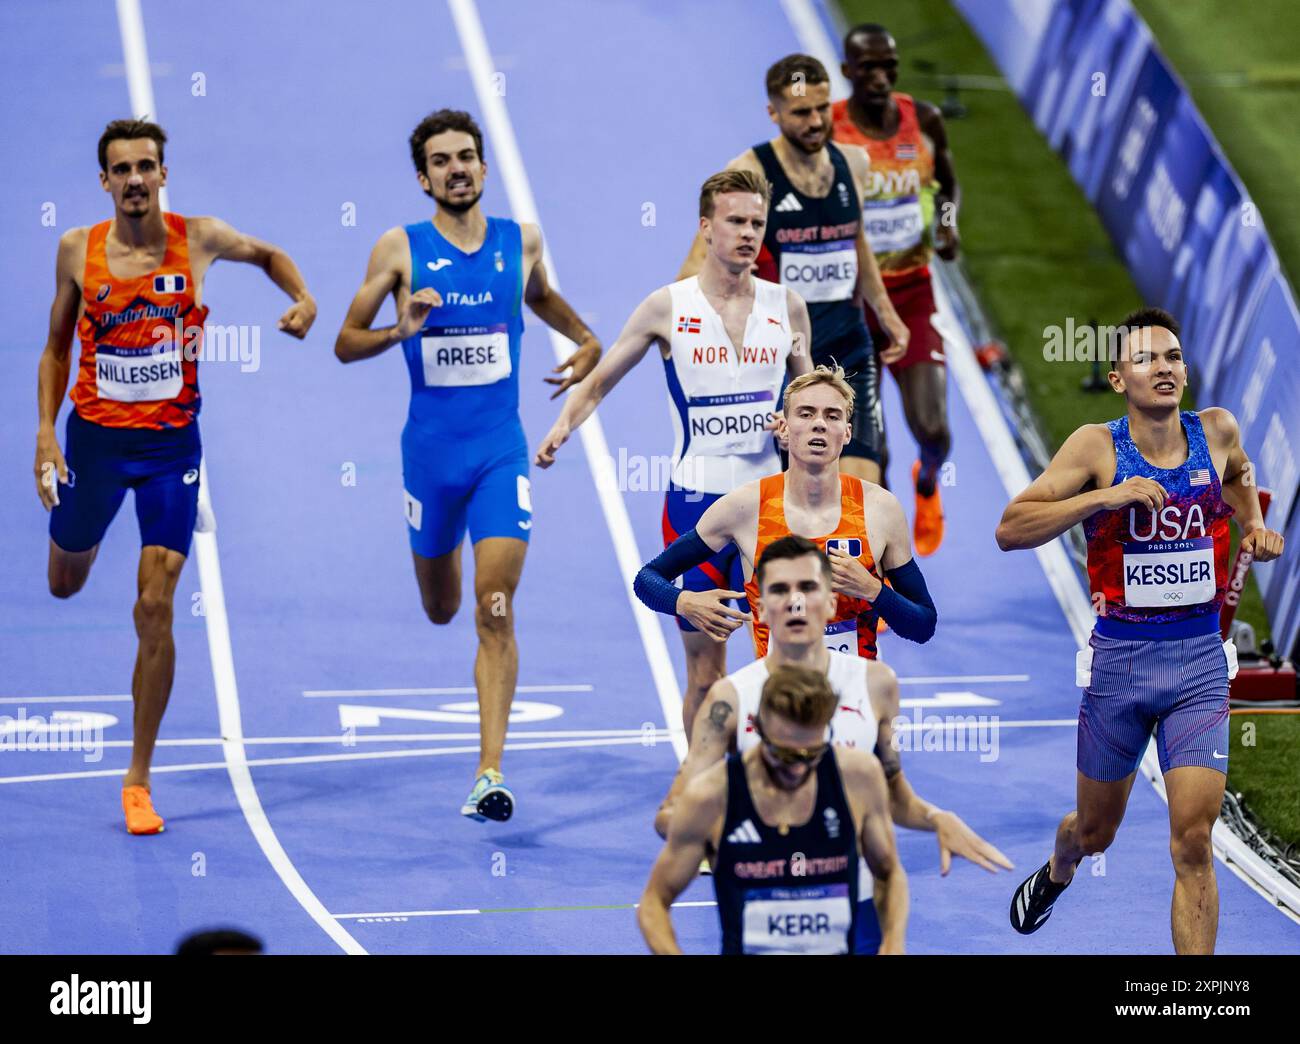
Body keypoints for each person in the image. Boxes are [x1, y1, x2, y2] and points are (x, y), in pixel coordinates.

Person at [35, 119, 316, 835]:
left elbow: (271, 253)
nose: (135, 179)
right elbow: (55, 349)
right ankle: (87, 536)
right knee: (64, 583)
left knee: (154, 606)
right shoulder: (78, 250)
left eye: (146, 167)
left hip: (170, 452)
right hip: (94, 447)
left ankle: (137, 778)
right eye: (121, 169)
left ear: (164, 174)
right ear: (104, 181)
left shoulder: (202, 238)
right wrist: (45, 434)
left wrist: (303, 297)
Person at [334, 109, 601, 822]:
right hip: (429, 459)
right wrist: (402, 329)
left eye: (467, 157)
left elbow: (537, 295)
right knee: (441, 606)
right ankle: (439, 556)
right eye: (443, 160)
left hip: (498, 453)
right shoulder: (400, 250)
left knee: (494, 606)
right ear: (424, 178)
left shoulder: (523, 241)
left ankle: (489, 773)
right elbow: (344, 341)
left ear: (484, 168)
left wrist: (586, 339)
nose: (457, 168)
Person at [996, 308, 1285, 953]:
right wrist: (1105, 498)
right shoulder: (1096, 447)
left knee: (1193, 839)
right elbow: (1011, 528)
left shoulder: (1217, 429)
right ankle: (1061, 866)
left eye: (1174, 357)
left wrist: (1250, 526)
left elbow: (1238, 477)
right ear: (1118, 378)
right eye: (1148, 359)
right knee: (1096, 832)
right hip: (1120, 665)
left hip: (1200, 663)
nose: (1165, 367)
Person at [536, 169, 811, 734]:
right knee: (706, 674)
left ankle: (776, 789)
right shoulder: (666, 307)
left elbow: (816, 405)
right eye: (736, 221)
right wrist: (563, 426)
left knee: (782, 665)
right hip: (696, 507)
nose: (748, 233)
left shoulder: (788, 307)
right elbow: (601, 379)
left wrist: (797, 420)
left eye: (758, 222)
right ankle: (703, 788)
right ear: (706, 228)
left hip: (772, 506)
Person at [655, 536, 1011, 951]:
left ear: (829, 601)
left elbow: (892, 796)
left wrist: (935, 817)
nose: (796, 602)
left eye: (808, 588)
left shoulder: (875, 684)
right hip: (762, 908)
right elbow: (671, 815)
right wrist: (727, 822)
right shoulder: (729, 698)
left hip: (852, 908)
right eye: (780, 590)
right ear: (760, 607)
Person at [677, 54, 910, 488]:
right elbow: (694, 268)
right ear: (774, 113)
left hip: (848, 347)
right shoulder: (749, 172)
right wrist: (688, 336)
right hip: (781, 361)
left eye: (823, 108)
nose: (816, 121)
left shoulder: (853, 163)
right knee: (801, 500)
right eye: (801, 112)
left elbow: (857, 241)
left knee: (862, 495)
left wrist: (885, 310)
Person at [634, 366, 937, 698]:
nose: (819, 423)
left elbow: (923, 625)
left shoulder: (880, 510)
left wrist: (873, 590)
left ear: (847, 433)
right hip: (778, 704)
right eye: (806, 414)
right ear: (786, 427)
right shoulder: (745, 506)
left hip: (855, 703)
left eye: (832, 416)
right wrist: (684, 601)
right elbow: (647, 579)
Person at [637, 663, 907, 954]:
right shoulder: (713, 797)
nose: (797, 768)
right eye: (784, 754)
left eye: (811, 753)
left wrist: (893, 943)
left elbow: (890, 873)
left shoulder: (859, 780)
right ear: (758, 728)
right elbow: (653, 903)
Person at [833, 22, 961, 555]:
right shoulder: (833, 131)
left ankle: (927, 482)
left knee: (933, 429)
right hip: (853, 304)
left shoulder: (923, 120)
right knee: (869, 452)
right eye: (869, 68)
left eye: (890, 66)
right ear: (847, 72)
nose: (882, 77)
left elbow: (947, 181)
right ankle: (881, 565)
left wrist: (948, 224)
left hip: (912, 295)